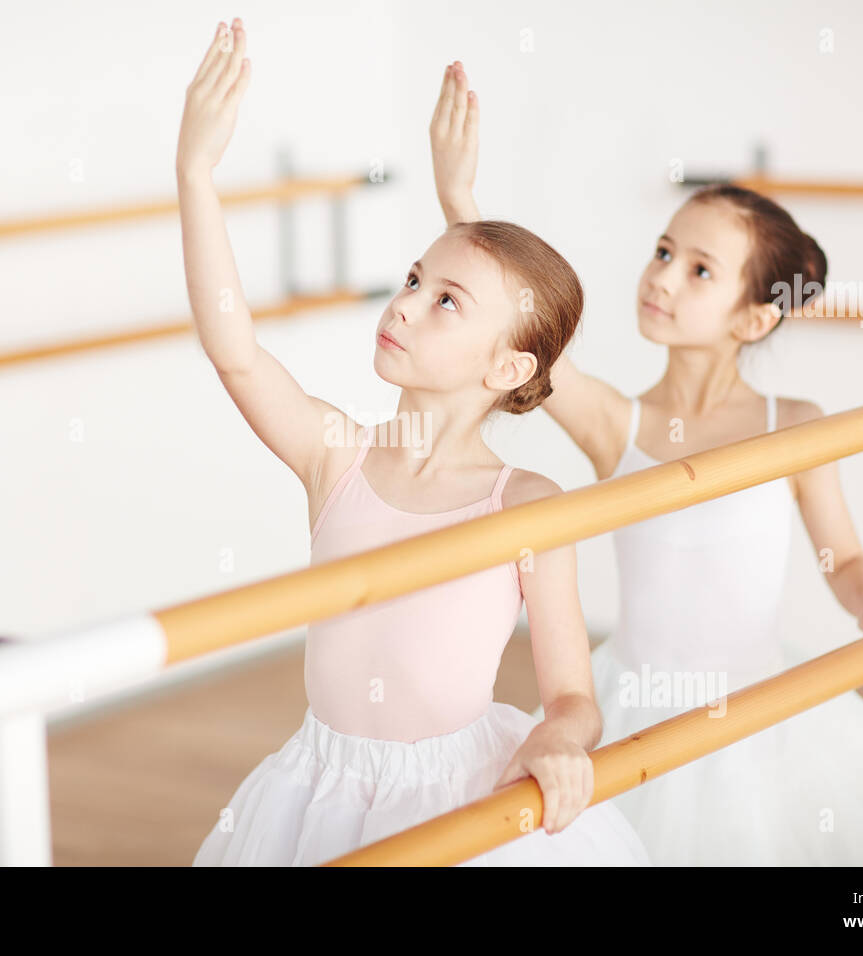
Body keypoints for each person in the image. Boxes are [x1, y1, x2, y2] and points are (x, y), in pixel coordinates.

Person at [430, 60, 863, 865]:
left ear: (754, 318)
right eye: (663, 250)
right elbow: (525, 319)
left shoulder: (799, 427)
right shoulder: (618, 424)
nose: (662, 277)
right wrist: (459, 203)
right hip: (635, 703)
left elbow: (844, 555)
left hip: (759, 707)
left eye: (699, 270)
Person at [181, 21, 649, 866]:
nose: (404, 305)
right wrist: (196, 175)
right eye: (412, 281)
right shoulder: (337, 456)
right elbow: (235, 351)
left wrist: (558, 741)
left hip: (458, 795)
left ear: (508, 366)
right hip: (320, 787)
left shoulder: (528, 505)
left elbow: (573, 694)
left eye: (446, 303)